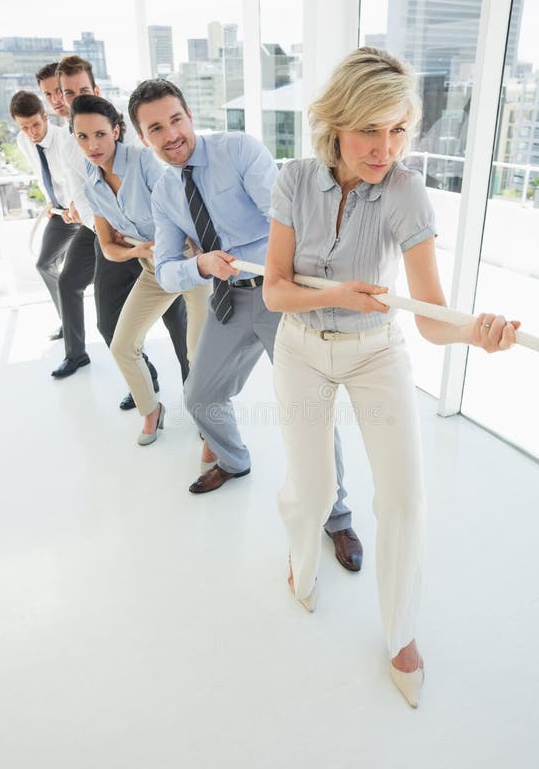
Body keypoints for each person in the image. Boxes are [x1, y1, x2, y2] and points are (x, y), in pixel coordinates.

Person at [263, 47, 521, 708]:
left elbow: (432, 318)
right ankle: (300, 546)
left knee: (403, 499)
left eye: (400, 128)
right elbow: (274, 292)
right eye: (370, 129)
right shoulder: (293, 179)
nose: (386, 148)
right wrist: (339, 296)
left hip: (377, 352)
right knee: (314, 491)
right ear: (338, 123)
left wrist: (476, 331)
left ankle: (401, 633)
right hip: (300, 349)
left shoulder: (405, 191)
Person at [127, 78, 362, 567]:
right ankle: (233, 461)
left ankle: (337, 517)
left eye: (175, 120)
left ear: (189, 114)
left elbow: (285, 221)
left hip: (278, 297)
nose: (170, 134)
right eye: (155, 128)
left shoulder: (239, 151)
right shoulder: (167, 191)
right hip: (228, 299)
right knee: (198, 395)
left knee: (309, 409)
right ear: (143, 138)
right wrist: (202, 265)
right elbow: (168, 271)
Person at [70, 93, 208, 444]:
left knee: (197, 351)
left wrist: (143, 243)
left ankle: (212, 424)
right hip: (152, 267)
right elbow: (108, 248)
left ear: (116, 131)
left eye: (100, 134)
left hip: (189, 261)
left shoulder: (144, 161)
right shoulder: (91, 184)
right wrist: (138, 249)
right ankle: (151, 409)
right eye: (82, 136)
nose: (92, 145)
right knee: (122, 345)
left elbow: (180, 212)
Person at [52, 55, 159, 409]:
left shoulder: (139, 158)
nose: (73, 97)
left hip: (145, 236)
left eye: (82, 90)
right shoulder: (71, 145)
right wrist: (96, 223)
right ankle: (140, 375)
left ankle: (198, 400)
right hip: (98, 224)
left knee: (180, 325)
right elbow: (83, 191)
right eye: (67, 93)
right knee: (102, 313)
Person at [10, 90, 77, 340]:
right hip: (60, 213)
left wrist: (73, 204)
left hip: (81, 210)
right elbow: (40, 172)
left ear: (45, 117)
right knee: (45, 264)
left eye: (35, 125)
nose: (31, 132)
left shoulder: (64, 140)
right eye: (24, 127)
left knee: (95, 269)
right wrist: (51, 202)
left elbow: (74, 178)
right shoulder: (22, 140)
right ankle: (68, 320)